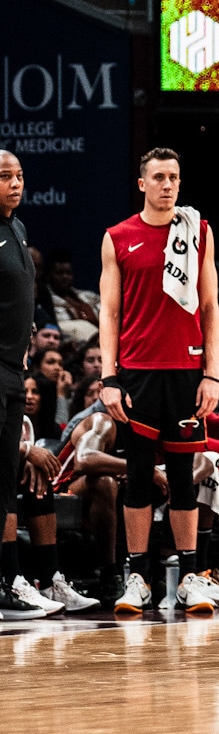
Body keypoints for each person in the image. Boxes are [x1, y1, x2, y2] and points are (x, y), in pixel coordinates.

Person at [100, 149, 219, 615]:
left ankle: (191, 577)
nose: (167, 184)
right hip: (136, 372)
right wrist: (109, 377)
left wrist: (212, 373)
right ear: (142, 184)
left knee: (183, 477)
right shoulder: (118, 237)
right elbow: (110, 313)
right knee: (136, 476)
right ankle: (138, 577)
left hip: (187, 372)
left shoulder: (198, 230)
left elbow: (209, 306)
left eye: (173, 176)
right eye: (158, 177)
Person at [0, 152, 49, 618]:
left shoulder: (17, 228)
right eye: (4, 176)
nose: (15, 183)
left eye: (19, 176)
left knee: (4, 480)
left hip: (14, 372)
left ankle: (8, 581)